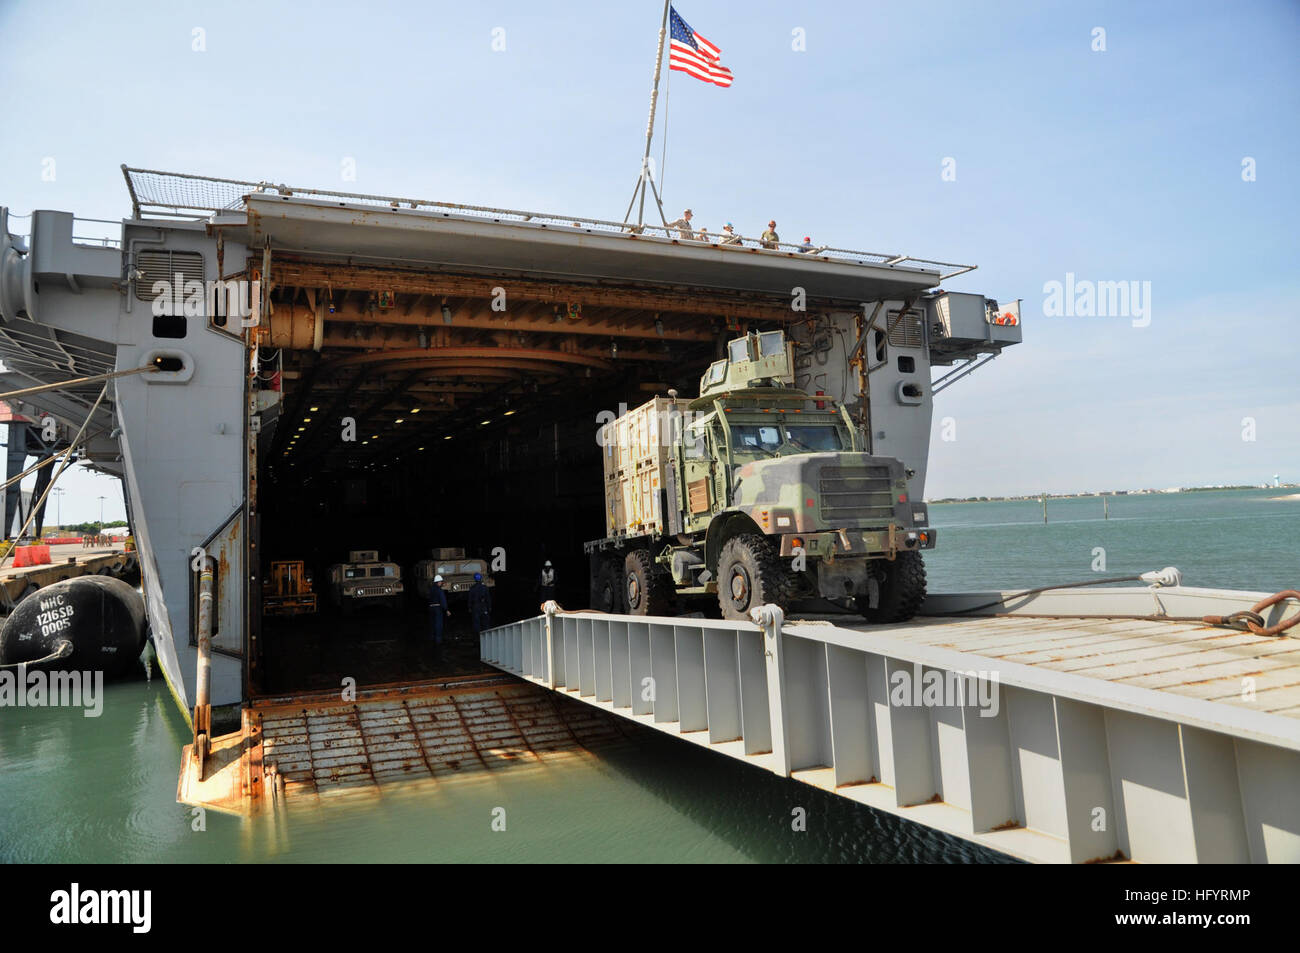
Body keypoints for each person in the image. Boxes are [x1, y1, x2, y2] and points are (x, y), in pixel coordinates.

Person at [427, 574, 449, 646]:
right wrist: (446, 610)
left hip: (431, 608)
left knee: (432, 623)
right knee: (438, 624)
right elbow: (443, 600)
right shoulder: (439, 590)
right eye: (441, 581)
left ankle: (432, 638)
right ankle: (438, 640)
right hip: (437, 608)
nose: (442, 583)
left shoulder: (431, 589)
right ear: (438, 582)